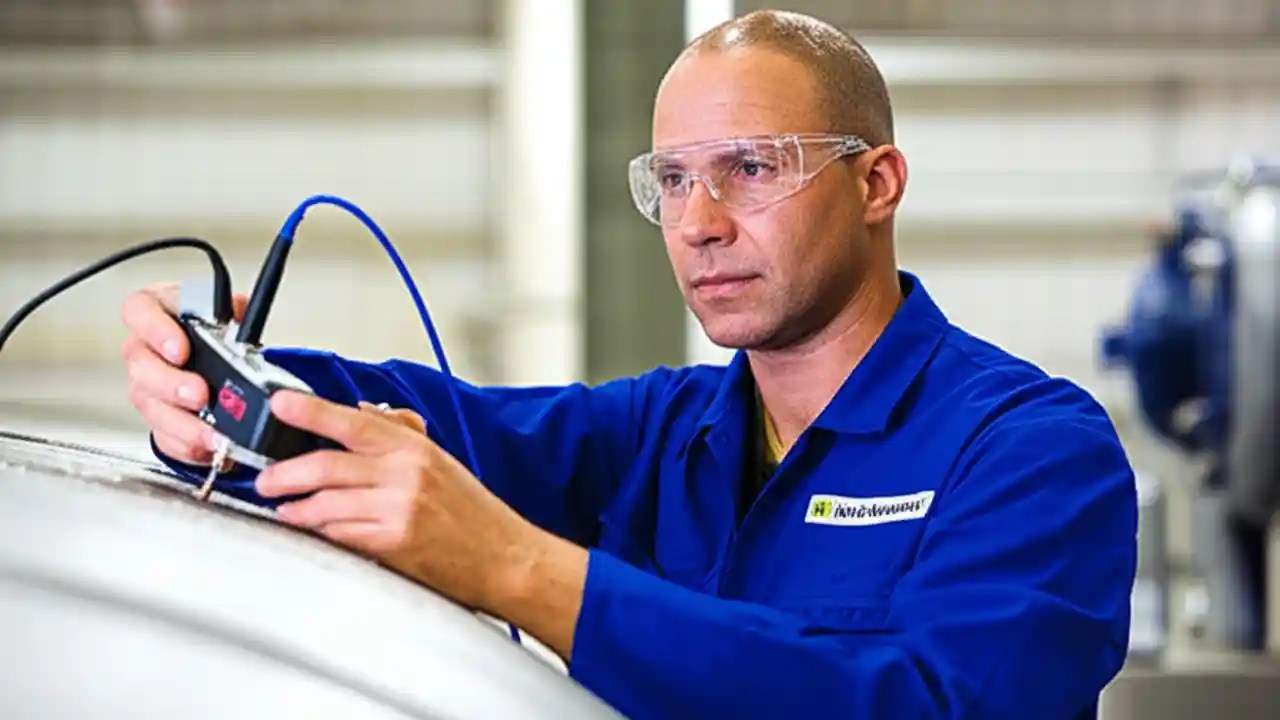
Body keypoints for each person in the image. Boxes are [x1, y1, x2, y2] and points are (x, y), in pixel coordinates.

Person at [119, 10, 1137, 720]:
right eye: (673, 181)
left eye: (749, 168)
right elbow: (426, 420)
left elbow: (933, 706)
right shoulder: (662, 436)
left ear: (874, 182)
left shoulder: (1027, 451)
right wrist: (211, 386)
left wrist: (516, 567)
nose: (698, 225)